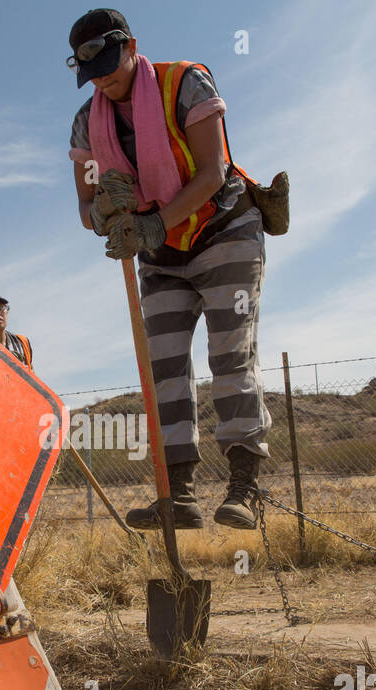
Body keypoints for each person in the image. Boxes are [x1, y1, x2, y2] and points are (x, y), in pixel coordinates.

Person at [67, 8, 285, 530]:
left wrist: (156, 223)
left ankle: (244, 487)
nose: (103, 77)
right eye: (90, 70)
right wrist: (103, 212)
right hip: (159, 254)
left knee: (230, 355)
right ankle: (179, 496)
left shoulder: (183, 82)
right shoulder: (85, 123)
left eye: (110, 62)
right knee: (163, 367)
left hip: (222, 229)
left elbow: (213, 172)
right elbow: (85, 208)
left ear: (132, 45)